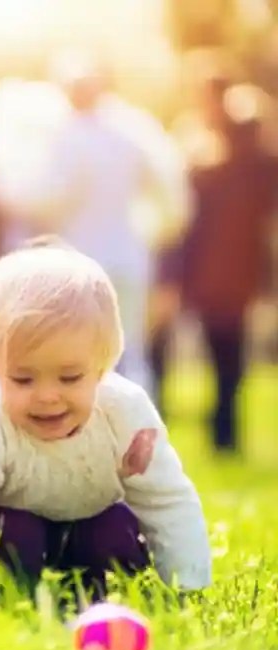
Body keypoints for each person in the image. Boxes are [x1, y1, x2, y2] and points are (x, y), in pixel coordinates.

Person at [0, 241, 212, 600]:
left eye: (69, 378)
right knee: (15, 536)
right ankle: (18, 595)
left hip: (93, 519)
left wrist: (189, 586)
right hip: (17, 524)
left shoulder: (124, 413)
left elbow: (165, 499)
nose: (48, 396)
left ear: (102, 367)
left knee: (113, 535)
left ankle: (96, 596)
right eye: (22, 379)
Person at [0, 52, 190, 395]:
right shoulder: (131, 131)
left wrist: (4, 185)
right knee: (131, 347)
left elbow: (45, 198)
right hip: (130, 256)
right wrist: (155, 231)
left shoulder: (67, 137)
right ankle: (141, 424)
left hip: (83, 260)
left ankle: (101, 427)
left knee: (86, 350)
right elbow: (170, 193)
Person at [152, 56, 278, 452]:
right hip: (190, 268)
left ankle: (225, 435)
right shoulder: (190, 141)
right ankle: (160, 429)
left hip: (230, 271)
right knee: (163, 349)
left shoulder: (250, 142)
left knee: (229, 356)